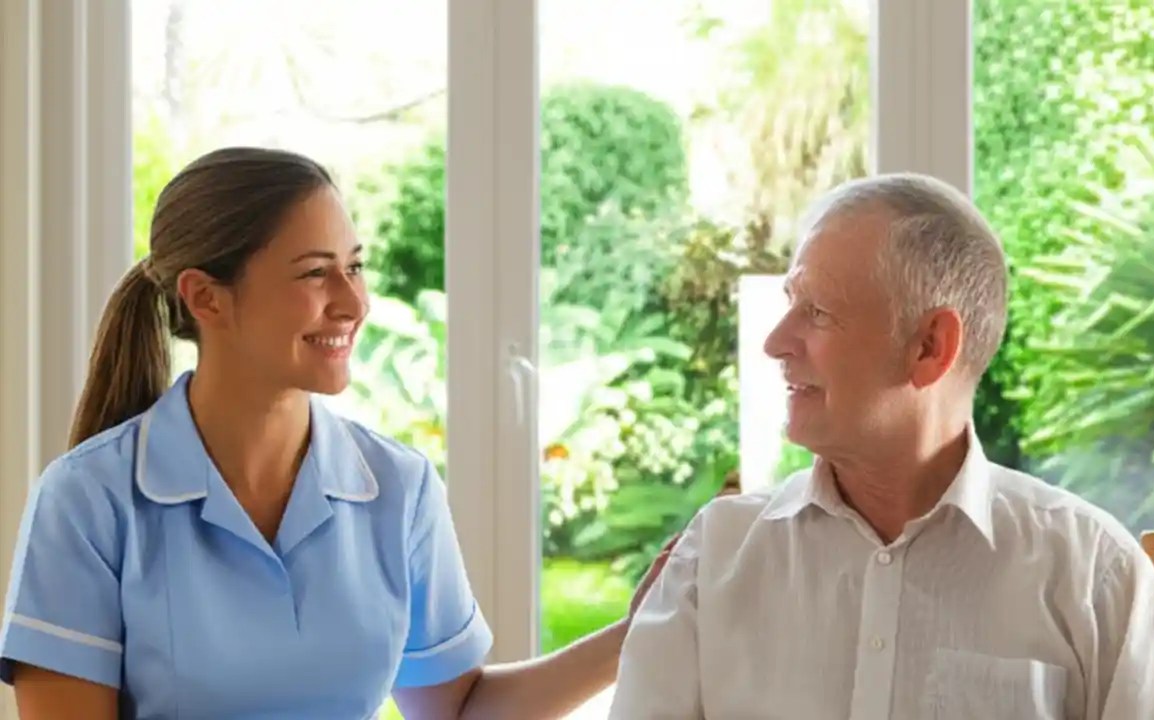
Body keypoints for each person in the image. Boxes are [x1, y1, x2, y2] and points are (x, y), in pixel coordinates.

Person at [0, 147, 670, 719]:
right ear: (205, 297)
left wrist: (636, 633)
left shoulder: (398, 488)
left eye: (355, 266)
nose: (353, 303)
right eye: (315, 273)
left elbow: (457, 709)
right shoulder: (89, 499)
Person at [609, 173, 1154, 719]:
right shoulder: (712, 559)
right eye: (791, 302)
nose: (775, 342)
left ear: (930, 347)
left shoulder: (1094, 576)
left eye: (817, 312)